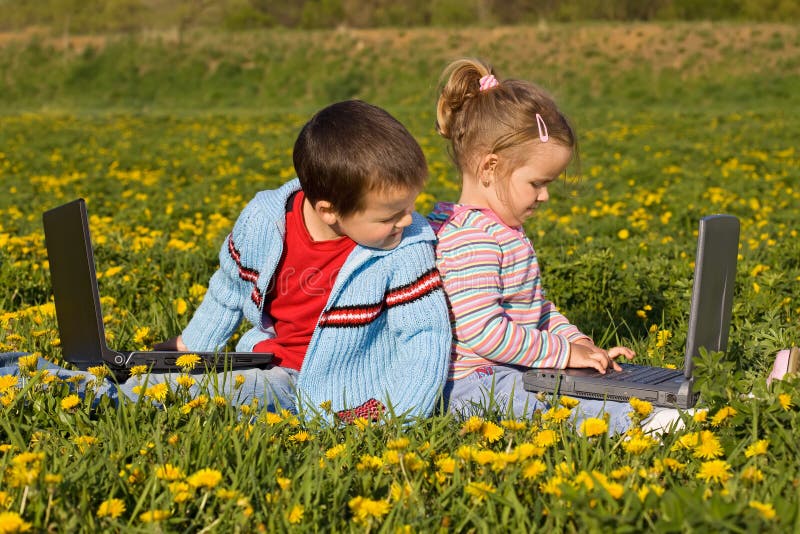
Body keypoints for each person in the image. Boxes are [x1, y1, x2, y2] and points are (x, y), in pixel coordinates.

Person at [2, 100, 452, 422]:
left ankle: (69, 392)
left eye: (409, 206)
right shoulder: (265, 220)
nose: (409, 220)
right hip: (256, 360)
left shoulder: (405, 248)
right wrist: (186, 350)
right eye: (391, 213)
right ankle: (20, 368)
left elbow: (425, 338)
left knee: (179, 397)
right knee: (152, 373)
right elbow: (229, 290)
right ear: (329, 208)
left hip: (313, 387)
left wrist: (392, 415)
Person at [427, 58, 645, 433]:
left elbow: (535, 310)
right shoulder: (470, 237)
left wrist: (578, 343)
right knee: (539, 407)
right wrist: (561, 354)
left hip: (509, 369)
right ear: (489, 168)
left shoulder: (501, 229)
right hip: (469, 384)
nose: (544, 196)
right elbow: (485, 332)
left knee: (561, 389)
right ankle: (641, 424)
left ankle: (646, 410)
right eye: (536, 183)